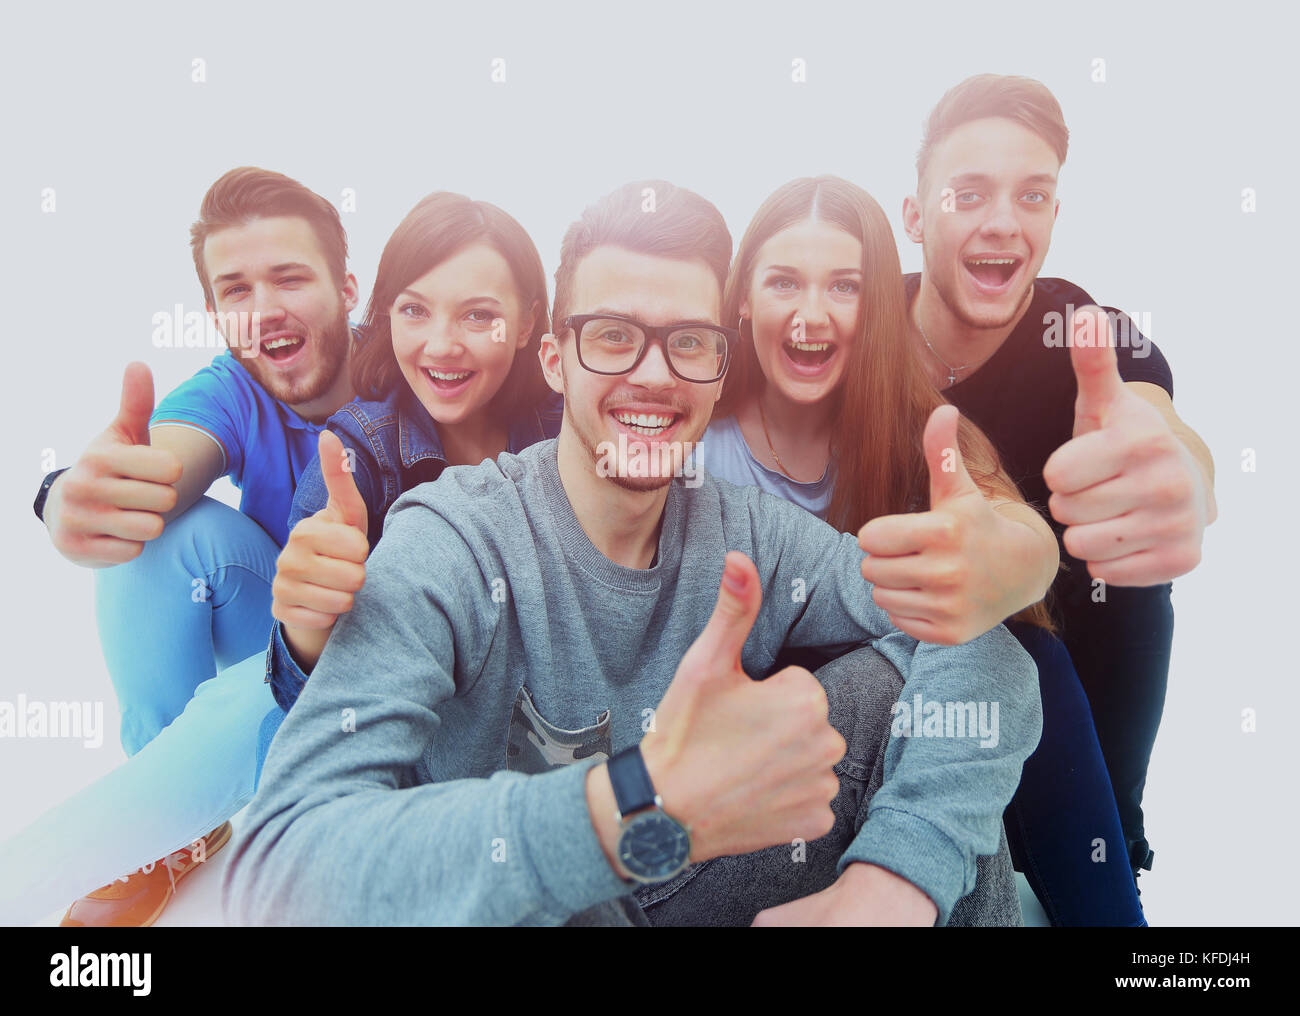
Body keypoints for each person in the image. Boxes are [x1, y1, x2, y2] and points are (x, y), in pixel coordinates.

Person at [224, 180, 1041, 927]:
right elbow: (280, 871)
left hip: (687, 894)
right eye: (613, 336)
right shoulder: (451, 538)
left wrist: (896, 881)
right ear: (554, 362)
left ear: (721, 371)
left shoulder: (748, 531)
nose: (652, 375)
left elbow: (973, 643)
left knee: (903, 701)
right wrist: (637, 803)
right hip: (512, 907)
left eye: (687, 342)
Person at [697, 174, 1146, 925]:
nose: (812, 316)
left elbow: (1004, 536)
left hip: (900, 750)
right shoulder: (699, 448)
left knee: (1026, 656)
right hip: (755, 768)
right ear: (741, 298)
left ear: (876, 306)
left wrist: (1020, 554)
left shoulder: (916, 431)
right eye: (783, 282)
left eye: (845, 286)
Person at [11, 166, 361, 927]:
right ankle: (173, 829)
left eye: (290, 278)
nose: (264, 310)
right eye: (236, 290)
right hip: (290, 649)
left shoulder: (420, 373)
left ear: (348, 289)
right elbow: (159, 465)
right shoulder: (234, 388)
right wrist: (76, 495)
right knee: (166, 532)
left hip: (402, 674)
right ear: (212, 312)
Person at [900, 74, 1216, 890]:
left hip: (1075, 709)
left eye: (1032, 196)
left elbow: (1156, 426)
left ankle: (1118, 838)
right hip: (917, 691)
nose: (1003, 221)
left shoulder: (1086, 335)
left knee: (1130, 581)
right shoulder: (858, 328)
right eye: (969, 194)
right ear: (914, 215)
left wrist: (1184, 478)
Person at [261, 190, 560, 748]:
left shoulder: (567, 429)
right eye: (415, 310)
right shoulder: (357, 456)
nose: (441, 346)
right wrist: (307, 628)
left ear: (525, 326)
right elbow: (301, 702)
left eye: (478, 316)